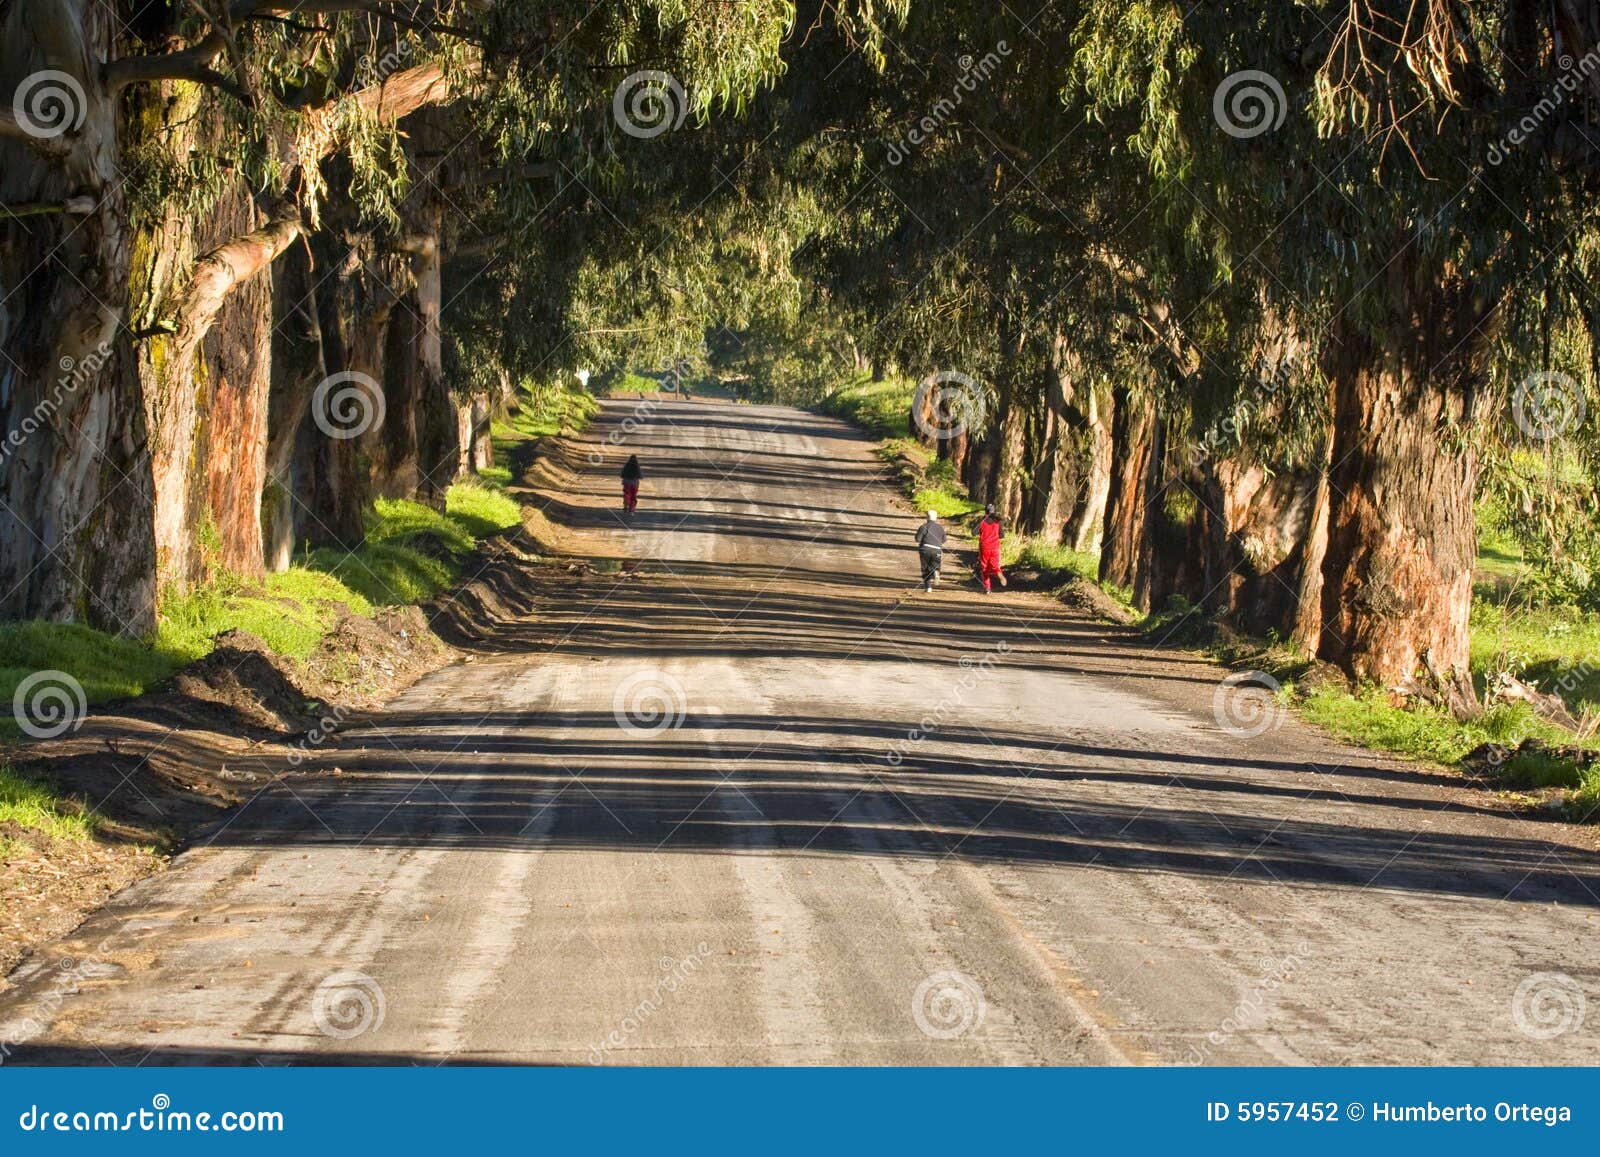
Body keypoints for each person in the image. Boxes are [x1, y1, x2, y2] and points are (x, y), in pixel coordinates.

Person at [976, 503, 1007, 594]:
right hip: (995, 547)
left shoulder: (982, 522)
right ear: (994, 511)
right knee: (995, 566)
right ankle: (998, 573)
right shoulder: (997, 522)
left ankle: (987, 588)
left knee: (985, 568)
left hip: (984, 547)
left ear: (985, 512)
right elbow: (1002, 535)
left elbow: (973, 532)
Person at [914, 510, 946, 592]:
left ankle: (928, 587)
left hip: (925, 549)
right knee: (935, 565)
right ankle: (936, 571)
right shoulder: (940, 528)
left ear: (927, 517)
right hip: (937, 550)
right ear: (936, 518)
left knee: (925, 568)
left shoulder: (923, 526)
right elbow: (944, 540)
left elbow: (918, 539)